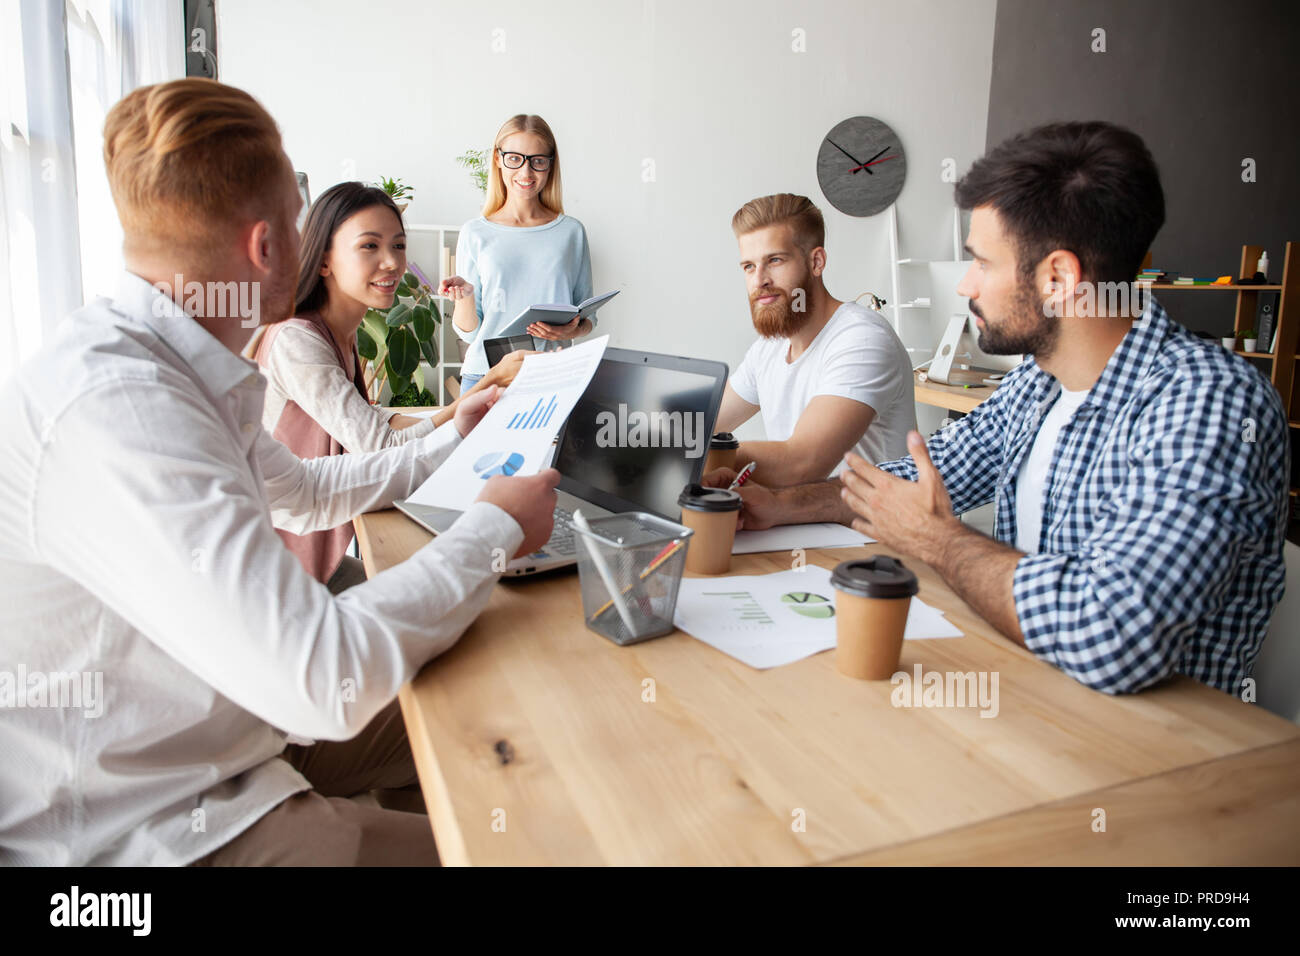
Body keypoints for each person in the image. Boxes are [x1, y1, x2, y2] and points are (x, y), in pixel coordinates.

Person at [0, 78, 560, 866]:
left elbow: (300, 491)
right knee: (520, 853)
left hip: (223, 729)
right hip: (146, 822)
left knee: (469, 698)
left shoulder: (179, 365)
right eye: (300, 226)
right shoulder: (119, 405)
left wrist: (451, 442)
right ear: (269, 247)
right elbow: (320, 675)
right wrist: (495, 526)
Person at [705, 122, 1289, 697]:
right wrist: (781, 506)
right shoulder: (1037, 384)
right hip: (1024, 685)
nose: (965, 286)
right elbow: (905, 483)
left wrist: (941, 542)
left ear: (1057, 276)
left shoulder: (1207, 401)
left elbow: (1114, 636)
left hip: (1148, 744)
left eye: (982, 263)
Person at [253, 181, 532, 589]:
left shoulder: (338, 332)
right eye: (370, 246)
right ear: (325, 259)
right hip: (282, 575)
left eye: (399, 246)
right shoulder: (298, 339)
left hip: (306, 557)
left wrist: (455, 409)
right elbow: (381, 446)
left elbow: (370, 421)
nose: (392, 262)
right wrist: (485, 384)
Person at [713, 194, 915, 486]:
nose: (759, 281)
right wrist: (639, 434)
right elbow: (706, 421)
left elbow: (802, 463)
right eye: (749, 267)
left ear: (816, 261)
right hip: (800, 519)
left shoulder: (862, 340)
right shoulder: (770, 348)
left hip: (867, 530)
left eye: (775, 260)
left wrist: (691, 453)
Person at [439, 114, 594, 391]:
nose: (525, 173)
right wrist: (463, 298)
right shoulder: (475, 233)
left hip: (552, 378)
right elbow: (470, 333)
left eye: (537, 161)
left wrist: (572, 329)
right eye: (514, 158)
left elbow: (587, 319)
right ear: (498, 159)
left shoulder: (571, 232)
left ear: (550, 164)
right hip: (487, 378)